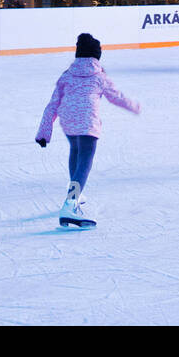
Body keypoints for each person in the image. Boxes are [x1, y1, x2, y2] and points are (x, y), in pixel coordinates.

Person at [35, 33, 140, 228]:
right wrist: (134, 106)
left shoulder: (66, 75)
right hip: (87, 121)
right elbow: (116, 97)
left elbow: (52, 104)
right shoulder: (100, 76)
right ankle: (71, 203)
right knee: (85, 159)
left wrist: (43, 132)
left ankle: (76, 192)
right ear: (97, 56)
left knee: (75, 150)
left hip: (68, 121)